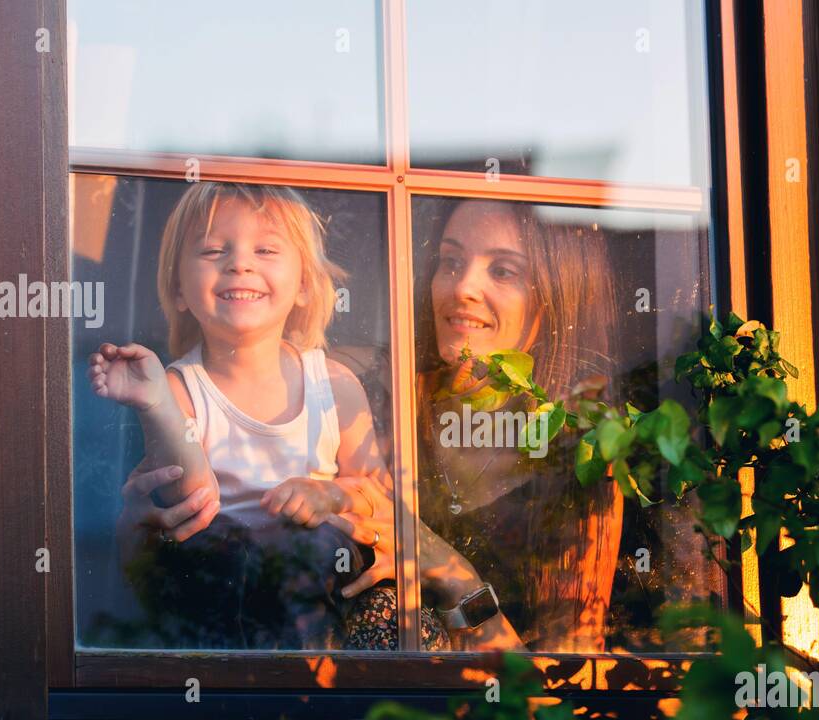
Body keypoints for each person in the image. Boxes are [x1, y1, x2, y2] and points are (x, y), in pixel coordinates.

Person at [97, 182, 445, 649]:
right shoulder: (180, 386)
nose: (239, 263)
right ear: (179, 289)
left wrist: (329, 495)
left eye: (265, 249)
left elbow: (377, 497)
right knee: (210, 549)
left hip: (314, 565)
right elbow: (194, 502)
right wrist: (155, 401)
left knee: (316, 544)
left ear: (303, 285)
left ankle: (303, 676)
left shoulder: (333, 382)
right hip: (227, 574)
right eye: (213, 250)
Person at [327, 199, 625, 652]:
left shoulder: (581, 452)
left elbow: (567, 686)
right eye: (451, 262)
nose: (462, 286)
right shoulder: (371, 391)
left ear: (555, 297)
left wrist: (445, 569)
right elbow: (265, 370)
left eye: (503, 271)